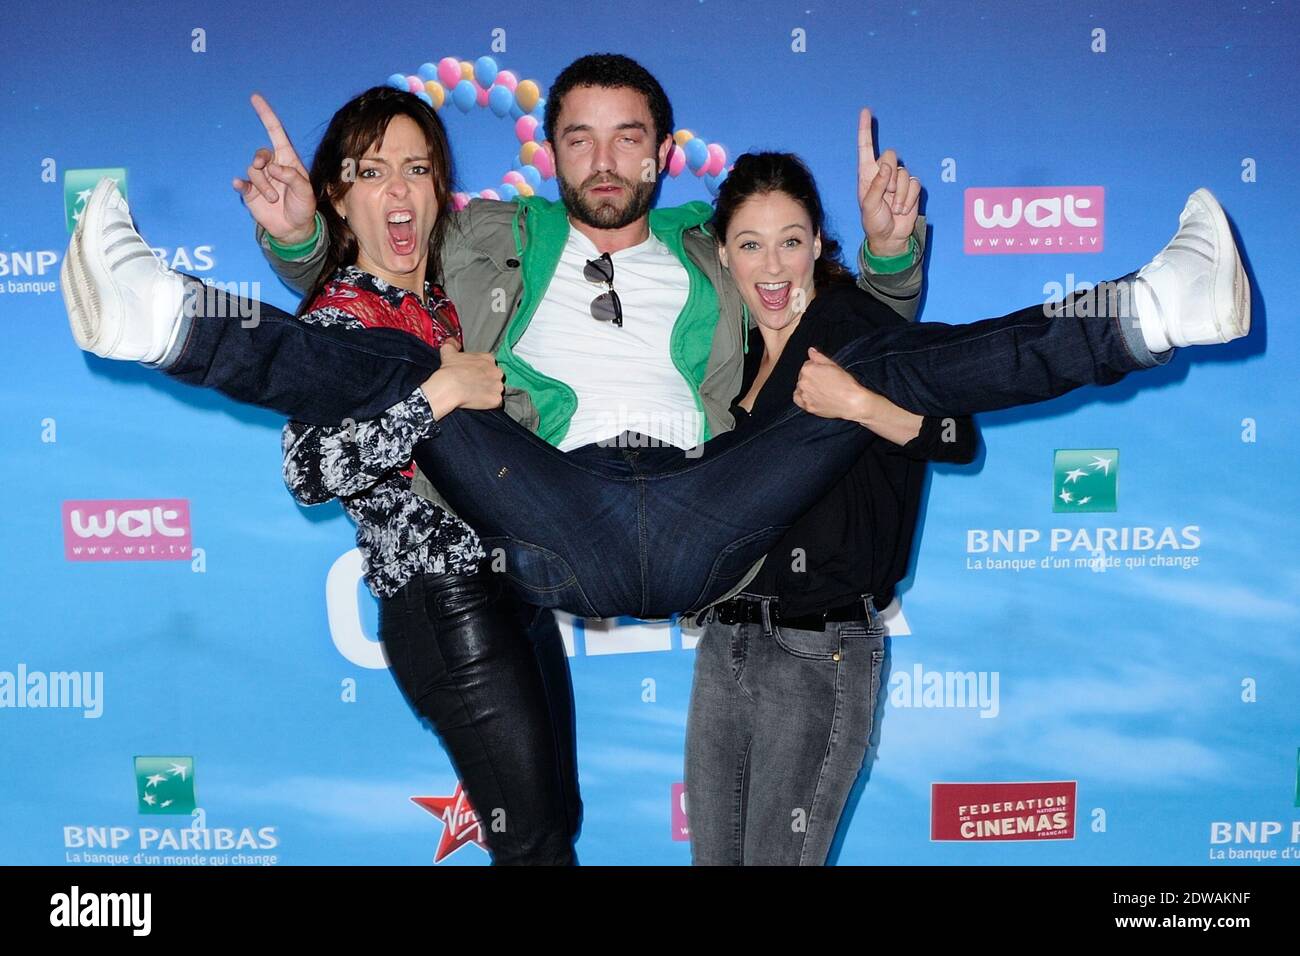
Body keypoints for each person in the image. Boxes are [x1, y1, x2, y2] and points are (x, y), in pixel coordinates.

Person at [60, 64, 1249, 623]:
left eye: (629, 140)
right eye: (578, 140)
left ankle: (1152, 310)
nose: (604, 162)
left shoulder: (717, 238)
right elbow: (377, 267)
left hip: (708, 505)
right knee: (407, 362)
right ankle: (164, 316)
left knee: (867, 365)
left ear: (664, 153)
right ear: (551, 153)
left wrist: (885, 260)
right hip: (545, 506)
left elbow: (828, 317)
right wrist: (296, 233)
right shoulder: (487, 232)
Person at [683, 152, 979, 865]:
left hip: (818, 652)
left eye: (792, 239)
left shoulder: (856, 330)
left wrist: (862, 405)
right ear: (725, 255)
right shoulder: (730, 354)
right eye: (751, 244)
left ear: (818, 242)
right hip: (726, 644)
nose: (774, 265)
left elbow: (955, 433)